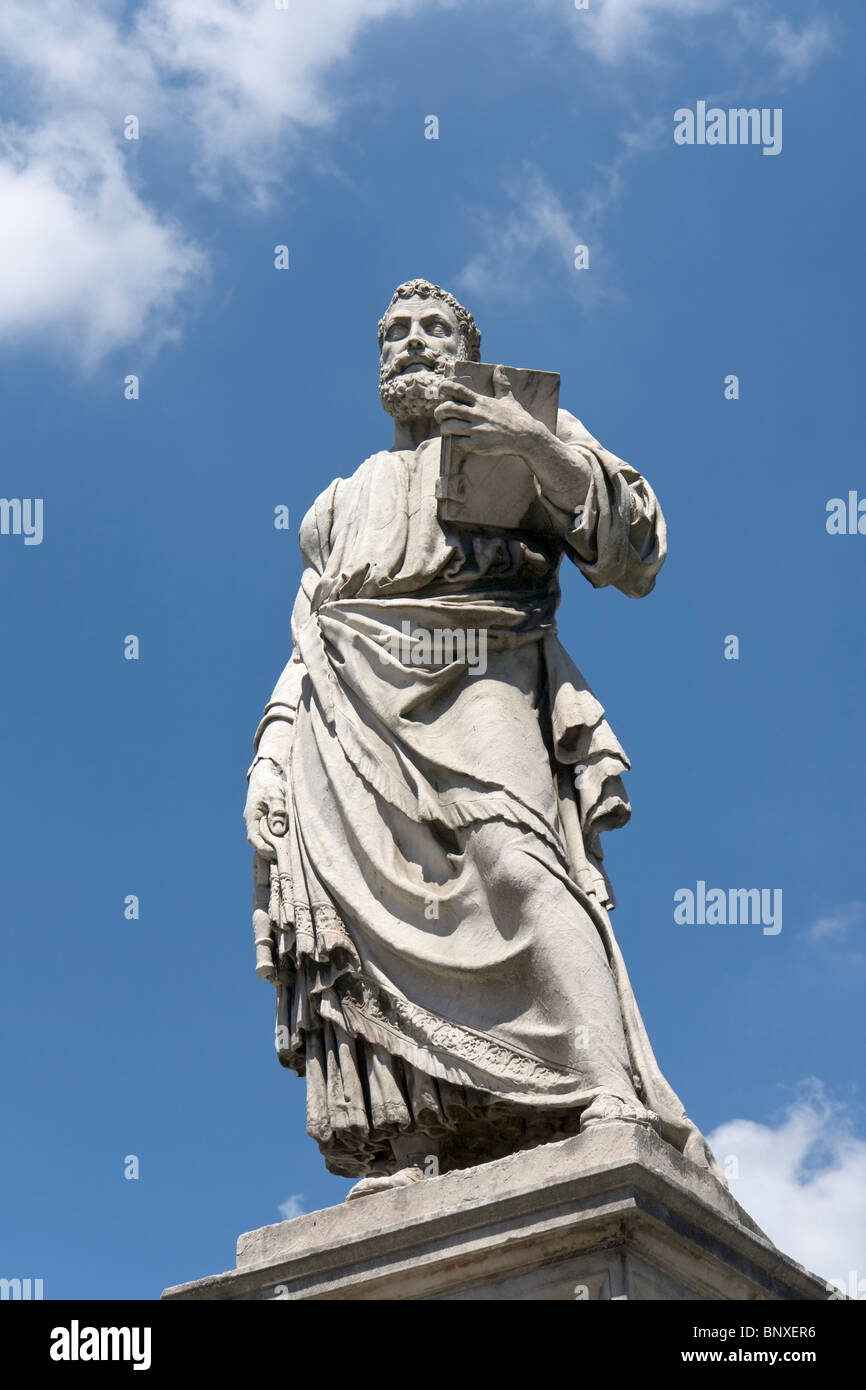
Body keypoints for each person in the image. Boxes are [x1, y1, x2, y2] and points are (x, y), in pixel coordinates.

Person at [244, 279, 722, 1199]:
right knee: (359, 914)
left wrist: (535, 443)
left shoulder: (518, 426)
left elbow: (634, 554)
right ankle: (414, 1141)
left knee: (518, 863)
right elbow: (310, 637)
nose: (411, 343)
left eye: (433, 328)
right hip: (344, 709)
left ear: (465, 346)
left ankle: (609, 1093)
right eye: (393, 331)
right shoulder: (337, 502)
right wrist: (268, 755)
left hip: (479, 673)